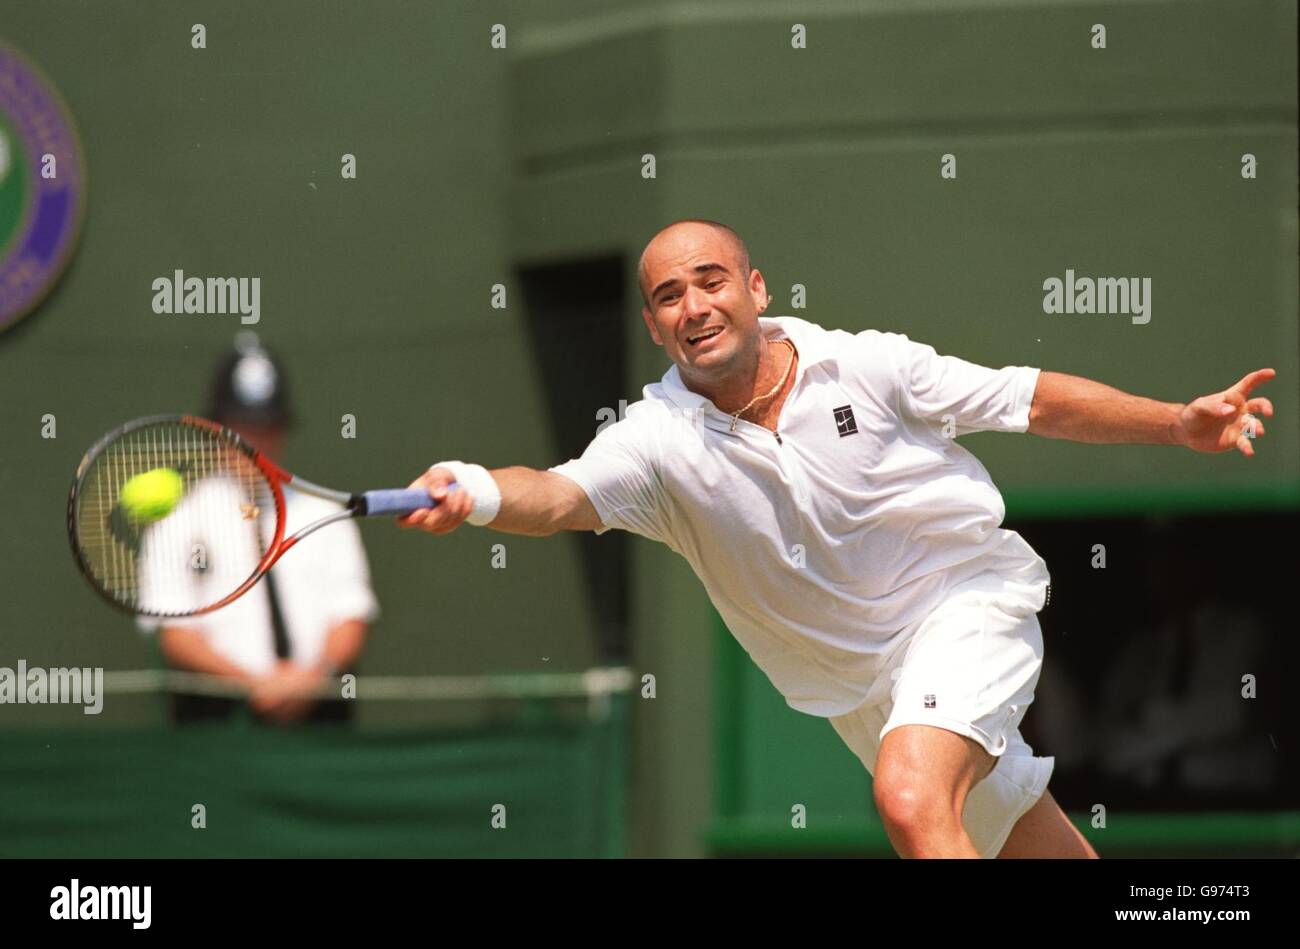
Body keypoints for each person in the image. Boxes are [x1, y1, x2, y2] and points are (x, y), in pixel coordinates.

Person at [397, 219, 1274, 858]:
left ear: (756, 289)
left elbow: (1030, 398)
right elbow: (554, 495)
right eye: (669, 295)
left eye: (711, 280)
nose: (695, 305)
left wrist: (1176, 423)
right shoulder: (652, 441)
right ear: (653, 326)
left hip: (965, 605)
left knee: (908, 796)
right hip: (857, 690)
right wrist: (473, 490)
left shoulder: (870, 364)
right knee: (1017, 840)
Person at [138, 332, 379, 725]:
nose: (256, 443)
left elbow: (351, 615)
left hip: (320, 717)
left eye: (267, 428)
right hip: (219, 722)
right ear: (215, 429)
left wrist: (309, 678)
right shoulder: (177, 519)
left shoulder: (327, 513)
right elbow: (175, 634)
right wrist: (256, 685)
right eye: (243, 429)